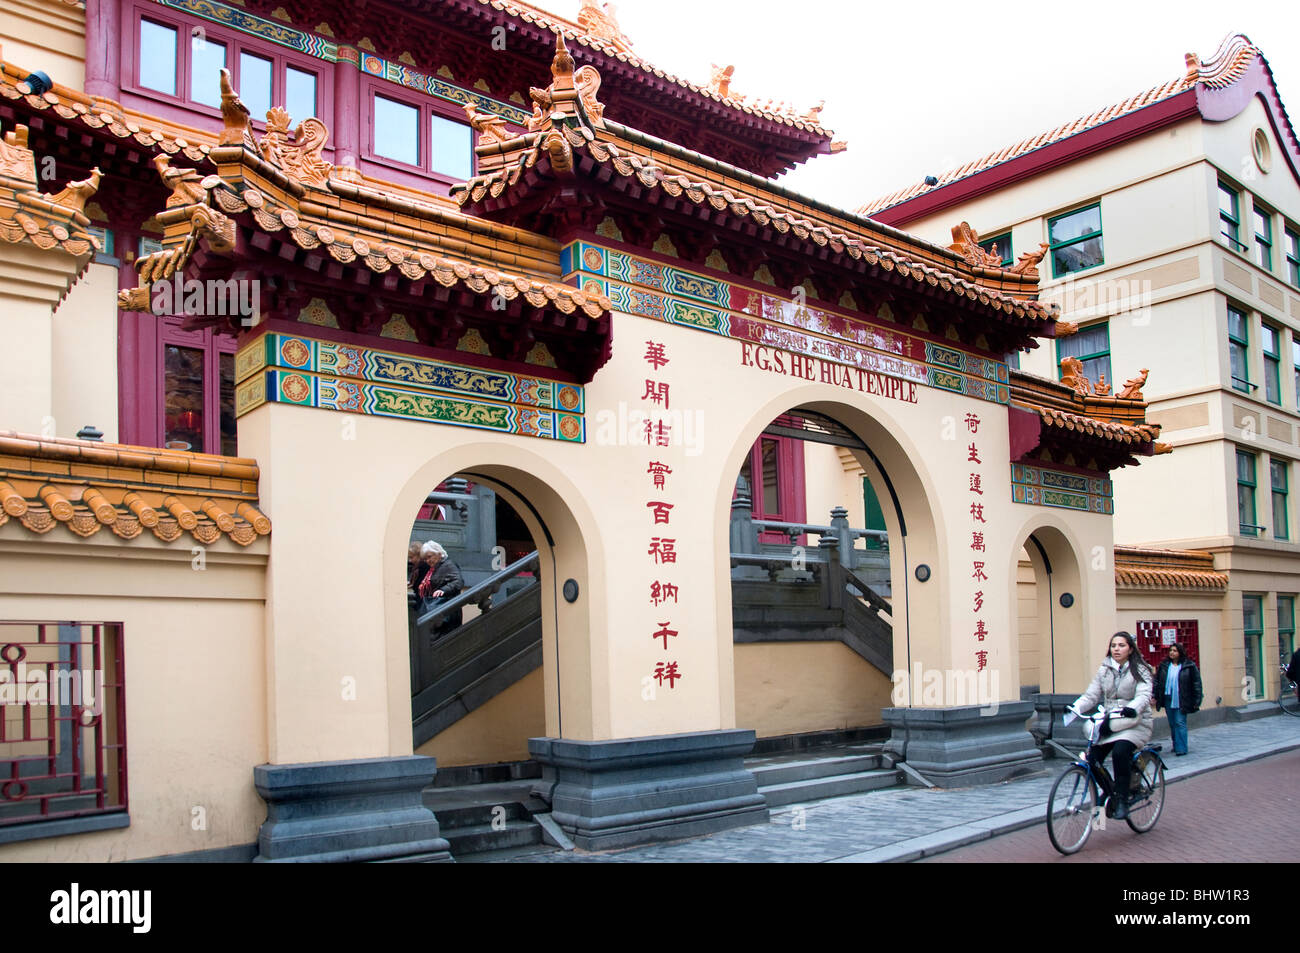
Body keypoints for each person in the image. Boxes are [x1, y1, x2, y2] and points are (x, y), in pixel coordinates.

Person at [1070, 631, 1153, 821]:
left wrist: (1133, 708)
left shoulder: (1140, 670)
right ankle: (1111, 790)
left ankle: (1122, 799)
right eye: (1113, 645)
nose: (1116, 649)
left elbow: (1143, 695)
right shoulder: (1105, 669)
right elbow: (1091, 695)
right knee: (1092, 758)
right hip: (1111, 722)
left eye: (1121, 645)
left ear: (1130, 649)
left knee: (1120, 752)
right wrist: (1074, 708)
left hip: (1135, 722)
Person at [1153, 642, 1202, 757]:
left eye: (1175, 651)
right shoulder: (1165, 665)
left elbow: (1196, 683)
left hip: (1182, 698)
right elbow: (1157, 681)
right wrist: (1155, 695)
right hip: (1168, 698)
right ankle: (1176, 744)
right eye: (1170, 650)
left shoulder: (1189, 666)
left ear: (1180, 652)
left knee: (1180, 722)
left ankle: (1181, 748)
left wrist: (1197, 700)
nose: (1172, 653)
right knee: (1172, 723)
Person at [417, 540, 464, 637]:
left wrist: (443, 590)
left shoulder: (448, 565)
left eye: (429, 557)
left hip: (447, 612)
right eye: (425, 559)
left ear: (438, 553)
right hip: (437, 611)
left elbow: (458, 582)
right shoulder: (434, 568)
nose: (428, 561)